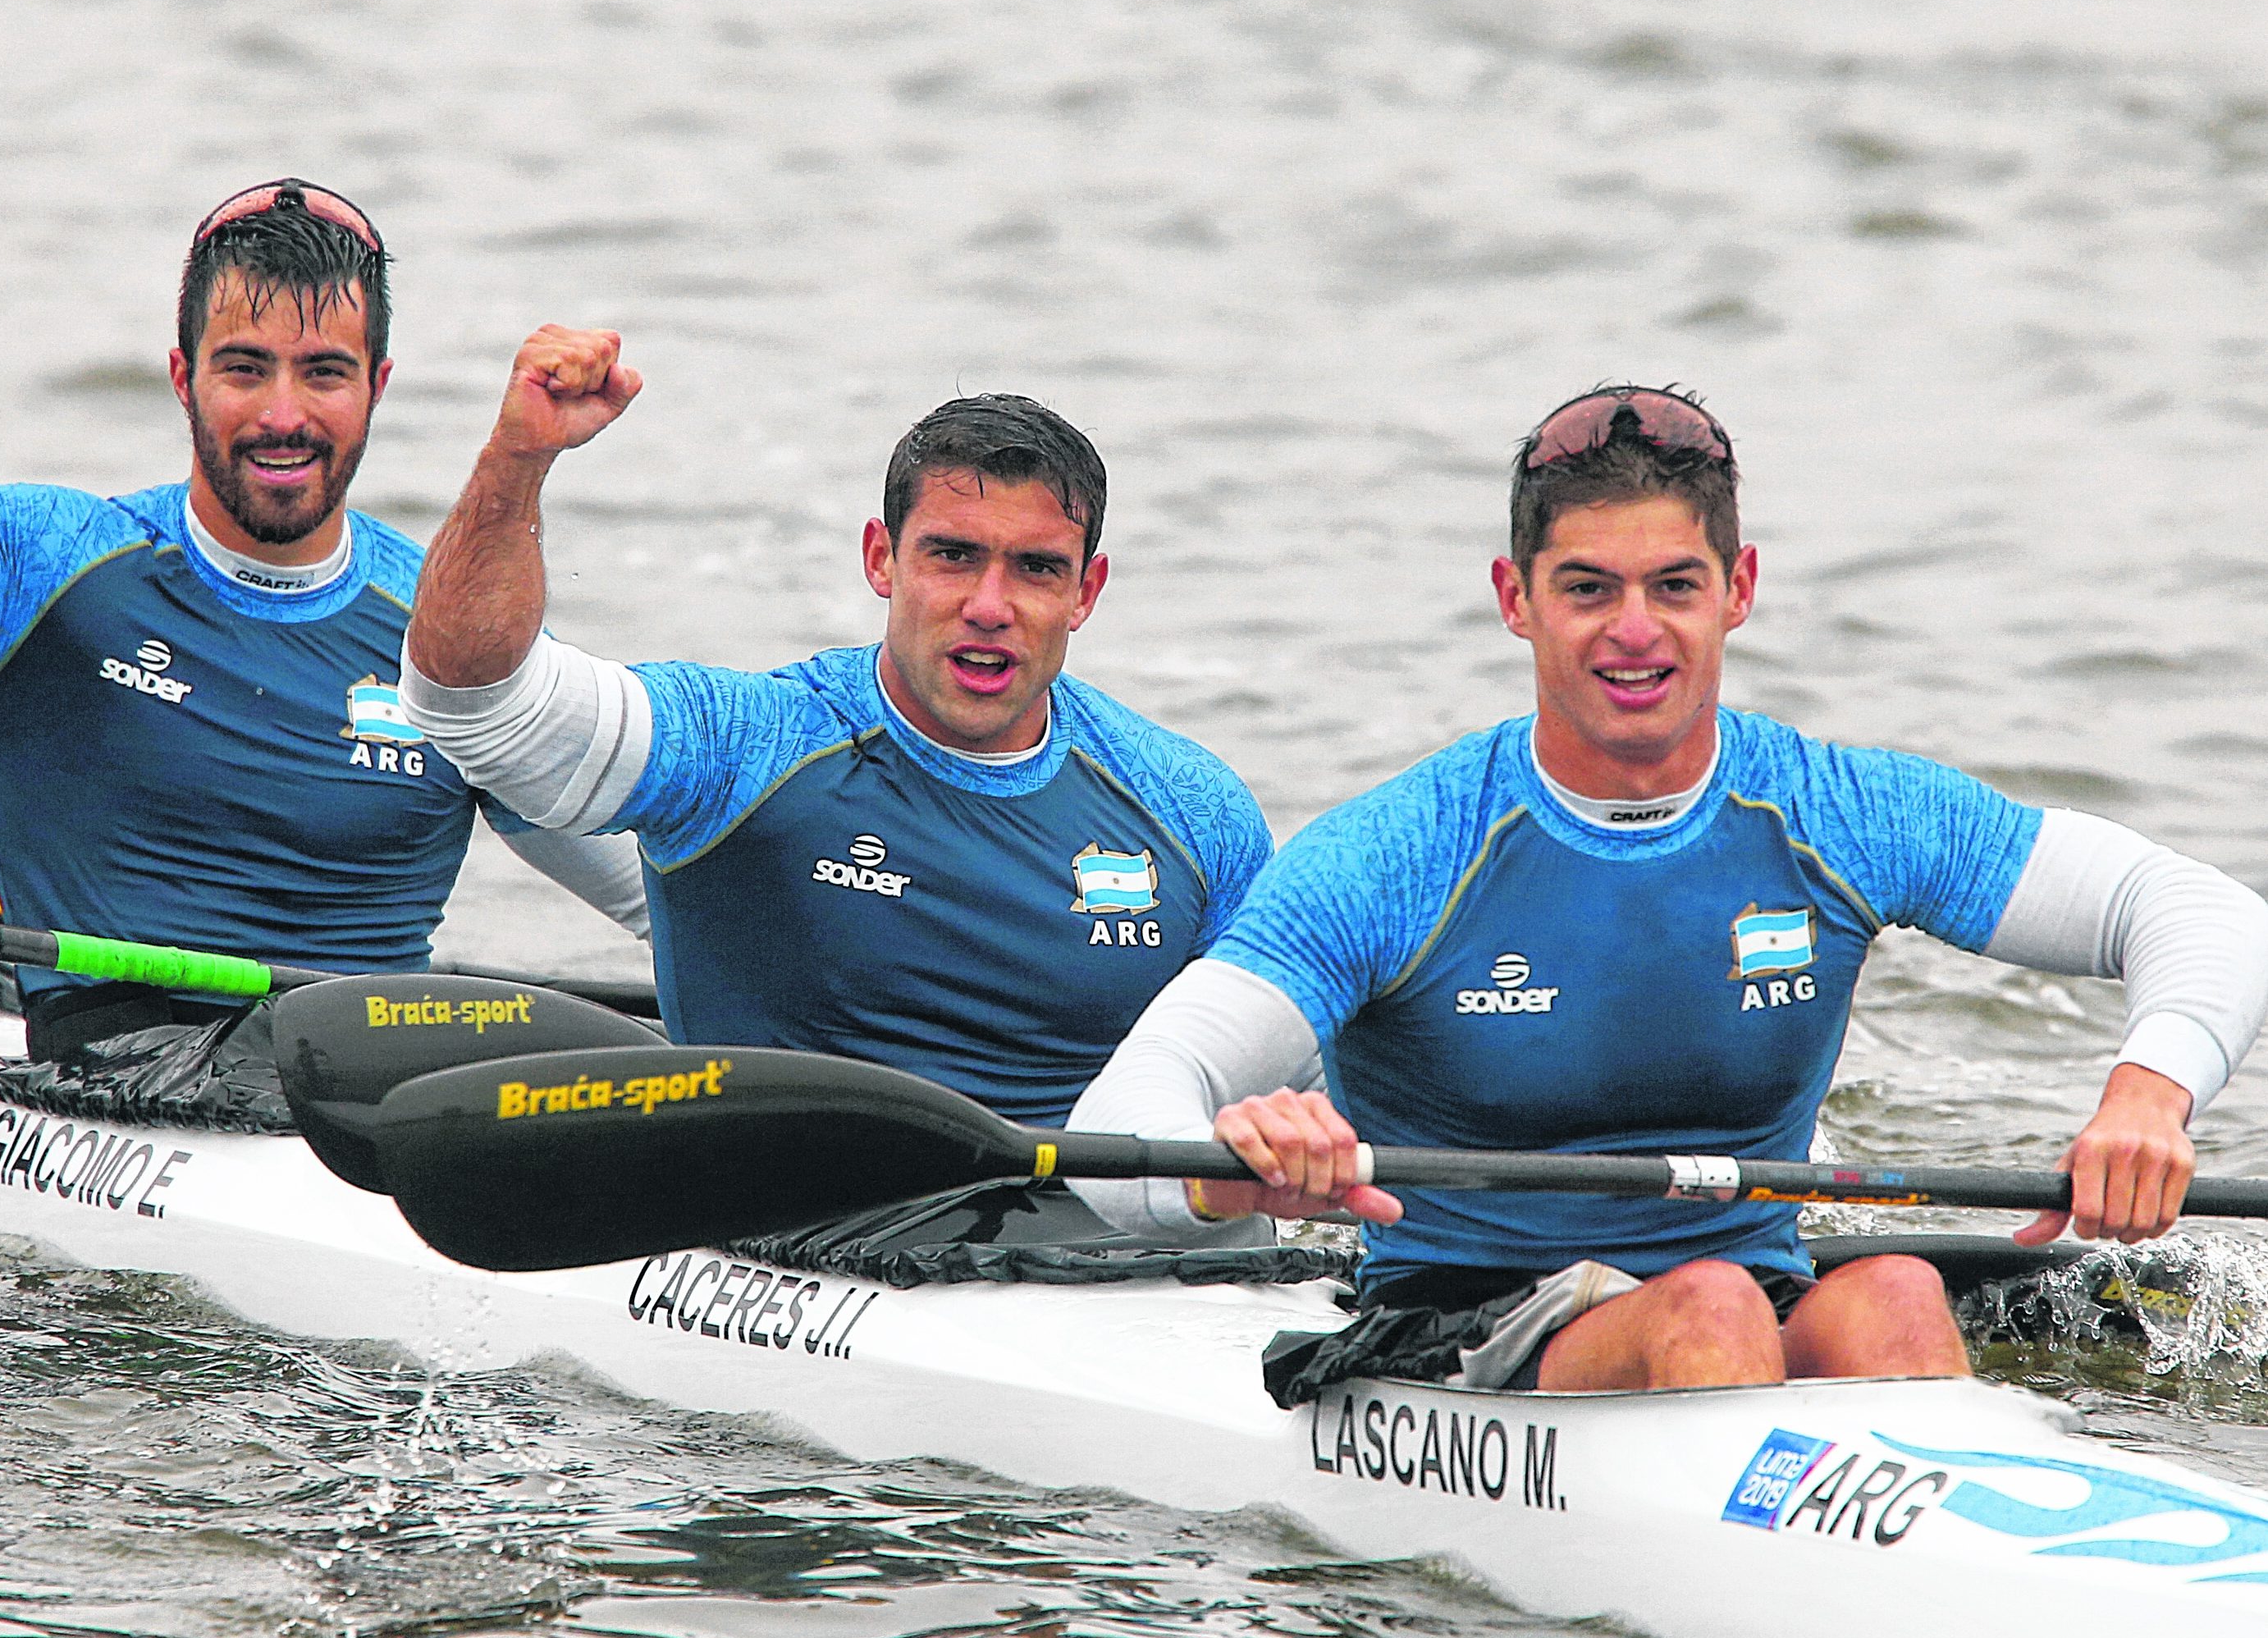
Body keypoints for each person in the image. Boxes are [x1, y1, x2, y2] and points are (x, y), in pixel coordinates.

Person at [1069, 385, 2268, 1396]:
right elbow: (1116, 1123)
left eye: (1675, 586)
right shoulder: (1399, 853)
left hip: (1742, 1292)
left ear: (1738, 588)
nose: (1634, 632)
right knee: (1709, 1309)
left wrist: (2148, 1097)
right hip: (1456, 1322)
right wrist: (1232, 1162)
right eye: (1588, 588)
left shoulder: (1840, 812)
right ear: (1515, 598)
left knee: (1895, 1294)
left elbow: (2199, 911)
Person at [0, 164, 649, 1059]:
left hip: (363, 1090)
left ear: (376, 386)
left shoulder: (449, 640)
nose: (283, 415)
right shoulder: (45, 564)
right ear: (184, 378)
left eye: (323, 371)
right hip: (107, 1079)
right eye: (245, 369)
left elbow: (657, 899)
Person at [400, 327, 1273, 1129]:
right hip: (806, 1218)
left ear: (1085, 591)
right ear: (880, 558)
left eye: (1036, 568)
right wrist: (519, 459)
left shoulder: (1193, 811)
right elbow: (479, 712)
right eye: (953, 555)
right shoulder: (747, 747)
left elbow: (1285, 1077)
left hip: (1092, 1231)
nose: (989, 605)